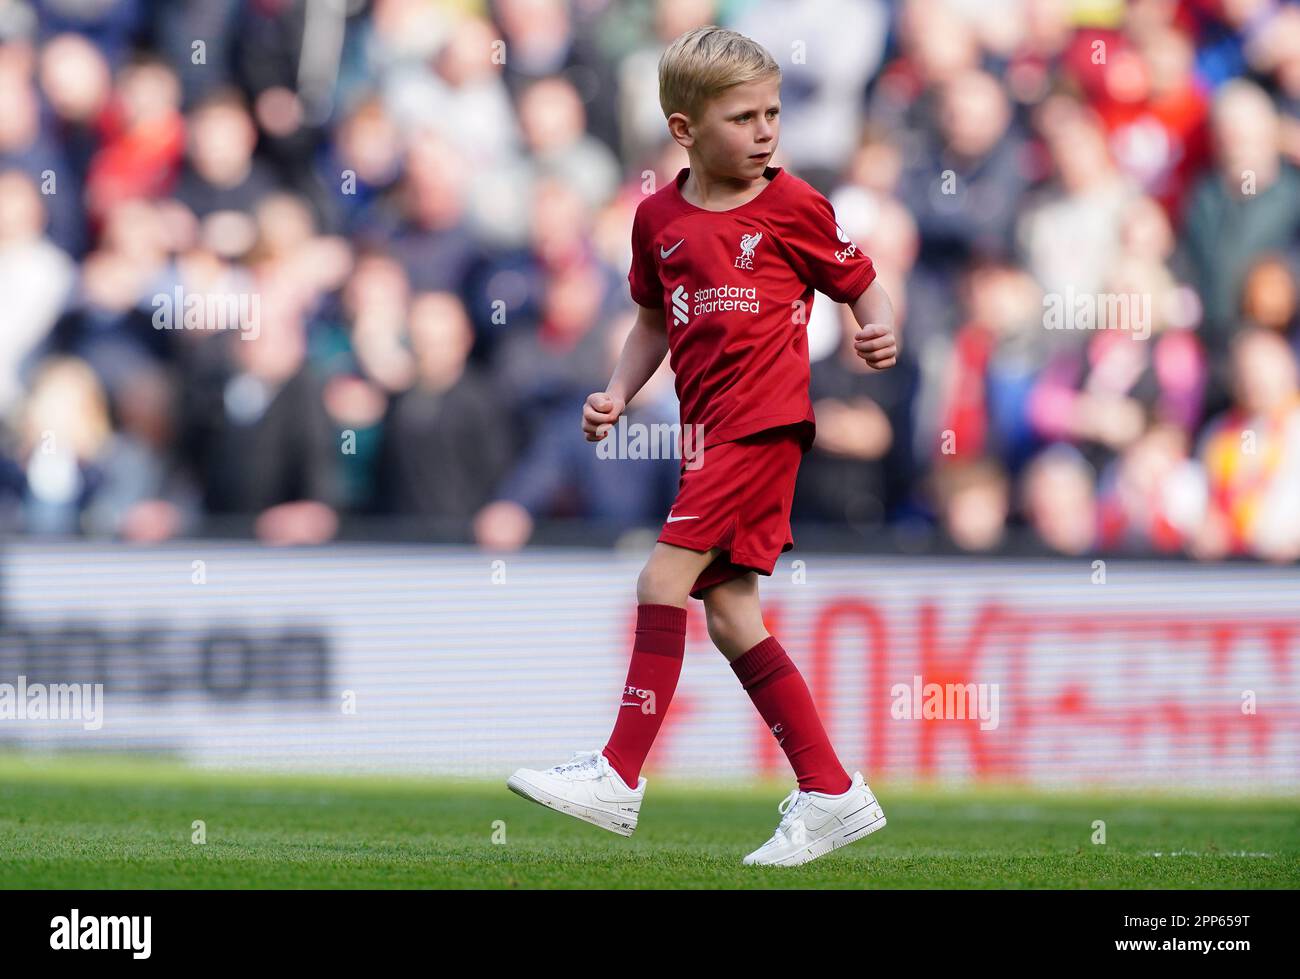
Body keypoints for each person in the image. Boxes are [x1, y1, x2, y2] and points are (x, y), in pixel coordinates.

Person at [506, 26, 897, 867]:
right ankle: (830, 789)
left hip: (764, 426)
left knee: (661, 578)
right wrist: (618, 390)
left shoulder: (794, 204)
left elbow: (857, 278)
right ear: (684, 130)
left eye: (774, 113)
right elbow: (654, 319)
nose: (766, 131)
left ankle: (618, 771)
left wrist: (876, 331)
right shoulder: (658, 219)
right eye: (744, 117)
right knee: (730, 614)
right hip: (704, 431)